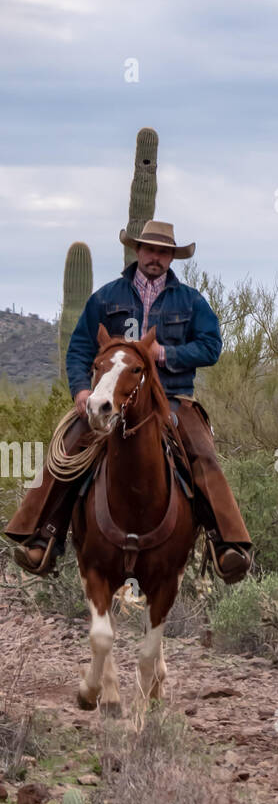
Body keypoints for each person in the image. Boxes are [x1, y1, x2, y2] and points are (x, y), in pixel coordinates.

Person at [6, 220, 252, 583]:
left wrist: (164, 354)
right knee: (69, 446)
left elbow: (211, 347)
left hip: (171, 398)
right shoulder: (106, 297)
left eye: (164, 251)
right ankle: (41, 535)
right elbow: (79, 349)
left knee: (202, 451)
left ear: (172, 257)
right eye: (150, 249)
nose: (156, 257)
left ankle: (227, 543)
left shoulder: (191, 300)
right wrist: (82, 391)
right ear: (137, 251)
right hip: (111, 397)